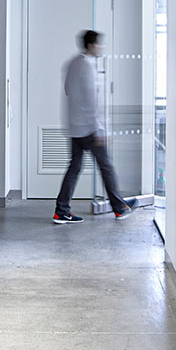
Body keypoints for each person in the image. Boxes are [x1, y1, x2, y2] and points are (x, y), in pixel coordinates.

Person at [52, 30, 134, 224]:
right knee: (106, 166)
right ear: (91, 46)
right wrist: (99, 130)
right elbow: (93, 102)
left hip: (74, 126)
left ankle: (61, 210)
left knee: (74, 167)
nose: (102, 47)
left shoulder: (72, 63)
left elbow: (67, 90)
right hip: (89, 129)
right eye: (99, 44)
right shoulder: (88, 67)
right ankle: (119, 207)